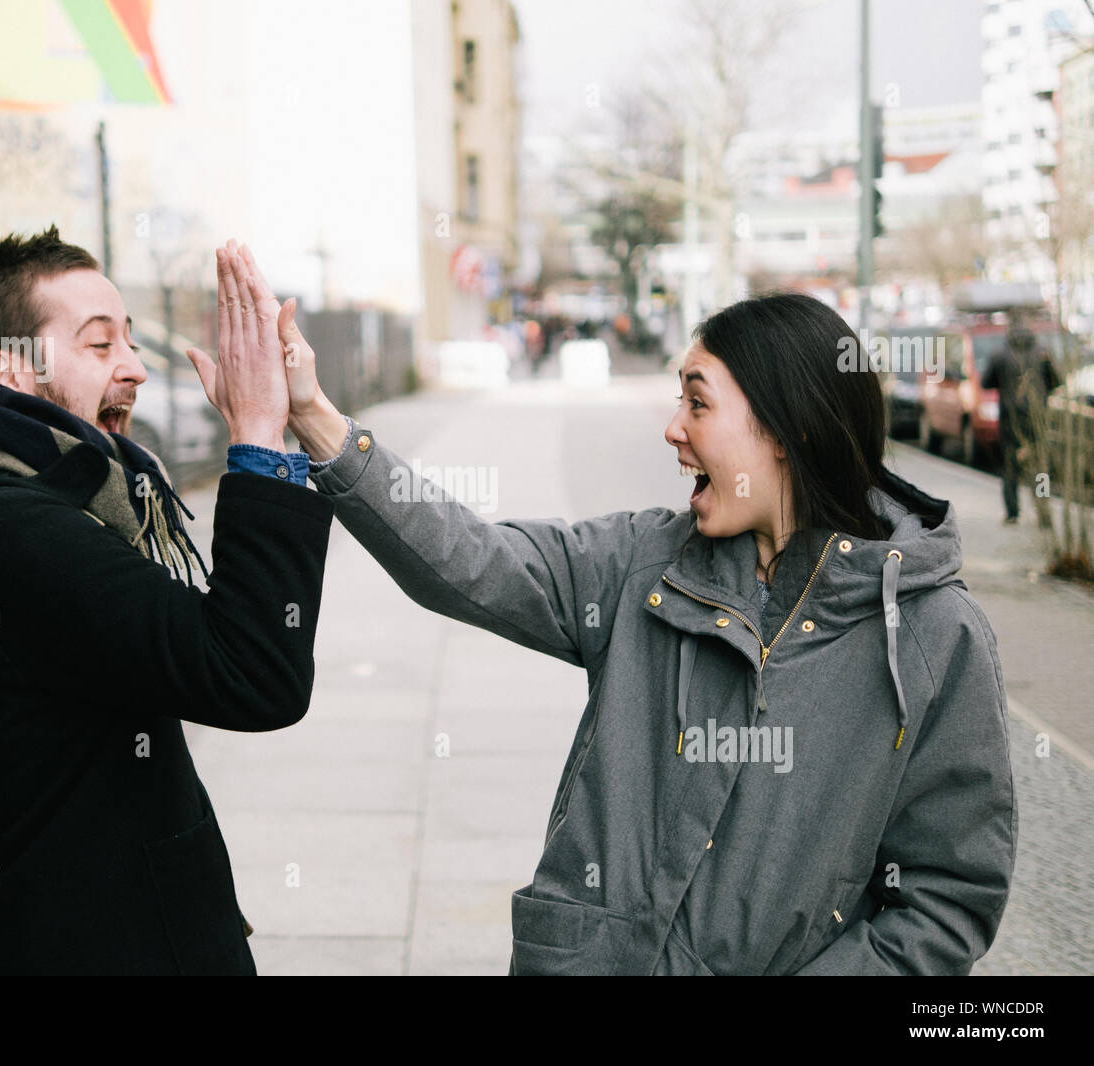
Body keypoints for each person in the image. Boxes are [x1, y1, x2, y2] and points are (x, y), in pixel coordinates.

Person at [267, 268, 1018, 975]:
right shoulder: (641, 563)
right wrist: (317, 422)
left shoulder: (934, 637)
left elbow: (947, 896)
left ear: (787, 429)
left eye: (697, 403)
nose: (672, 430)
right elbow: (476, 560)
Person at [0, 229, 333, 975]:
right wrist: (258, 435)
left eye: (131, 341)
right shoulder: (2, 530)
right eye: (100, 346)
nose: (136, 368)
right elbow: (253, 670)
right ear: (8, 372)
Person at [981, 323, 1060, 525]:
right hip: (1037, 418)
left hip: (1010, 419)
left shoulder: (1000, 355)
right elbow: (1056, 382)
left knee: (1010, 466)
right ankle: (1043, 511)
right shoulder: (1043, 354)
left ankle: (1012, 513)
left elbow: (986, 383)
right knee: (1040, 467)